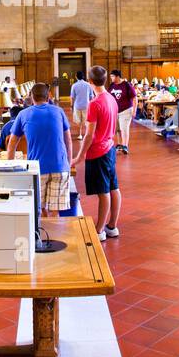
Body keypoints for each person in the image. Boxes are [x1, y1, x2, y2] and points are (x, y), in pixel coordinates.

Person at [6, 83, 72, 217]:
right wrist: (68, 164)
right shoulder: (59, 111)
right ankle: (54, 236)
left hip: (37, 168)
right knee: (55, 211)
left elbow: (12, 142)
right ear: (48, 97)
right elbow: (68, 140)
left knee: (39, 209)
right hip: (60, 166)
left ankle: (41, 237)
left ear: (31, 97)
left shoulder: (23, 114)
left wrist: (10, 165)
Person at [70, 66, 120, 241]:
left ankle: (99, 230)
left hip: (99, 151)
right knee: (114, 187)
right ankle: (112, 226)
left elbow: (90, 134)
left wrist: (80, 155)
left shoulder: (95, 103)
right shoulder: (112, 98)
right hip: (110, 148)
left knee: (103, 191)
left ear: (90, 82)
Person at [107, 70, 136, 154]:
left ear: (117, 76)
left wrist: (134, 110)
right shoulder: (112, 85)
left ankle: (125, 146)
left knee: (124, 128)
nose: (111, 78)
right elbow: (108, 96)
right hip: (115, 111)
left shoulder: (126, 85)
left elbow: (134, 97)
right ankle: (119, 144)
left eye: (112, 76)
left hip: (126, 110)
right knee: (117, 129)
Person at [69, 70, 93, 143]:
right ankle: (86, 134)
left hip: (77, 105)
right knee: (86, 121)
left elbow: (72, 97)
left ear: (76, 77)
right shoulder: (88, 85)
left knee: (78, 121)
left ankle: (80, 134)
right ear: (83, 76)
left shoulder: (74, 85)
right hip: (87, 105)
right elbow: (91, 96)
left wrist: (71, 105)